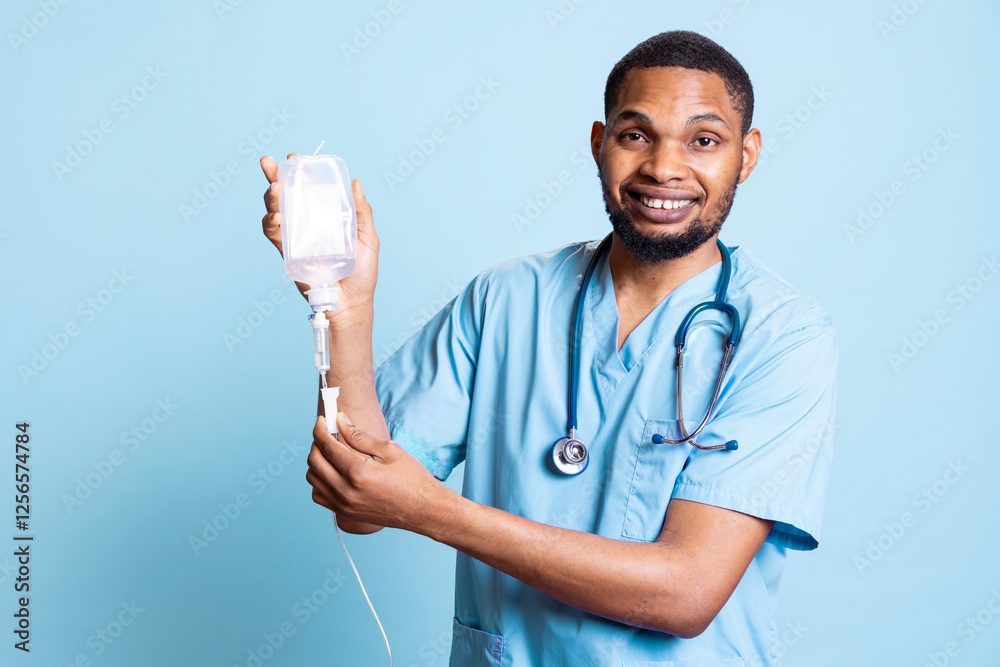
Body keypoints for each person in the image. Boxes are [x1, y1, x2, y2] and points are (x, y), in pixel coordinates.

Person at [260, 30, 837, 667]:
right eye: (636, 134)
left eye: (703, 140)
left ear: (746, 155)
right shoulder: (505, 300)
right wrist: (345, 309)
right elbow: (361, 503)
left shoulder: (783, 337)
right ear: (599, 143)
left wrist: (433, 512)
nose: (664, 168)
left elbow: (687, 593)